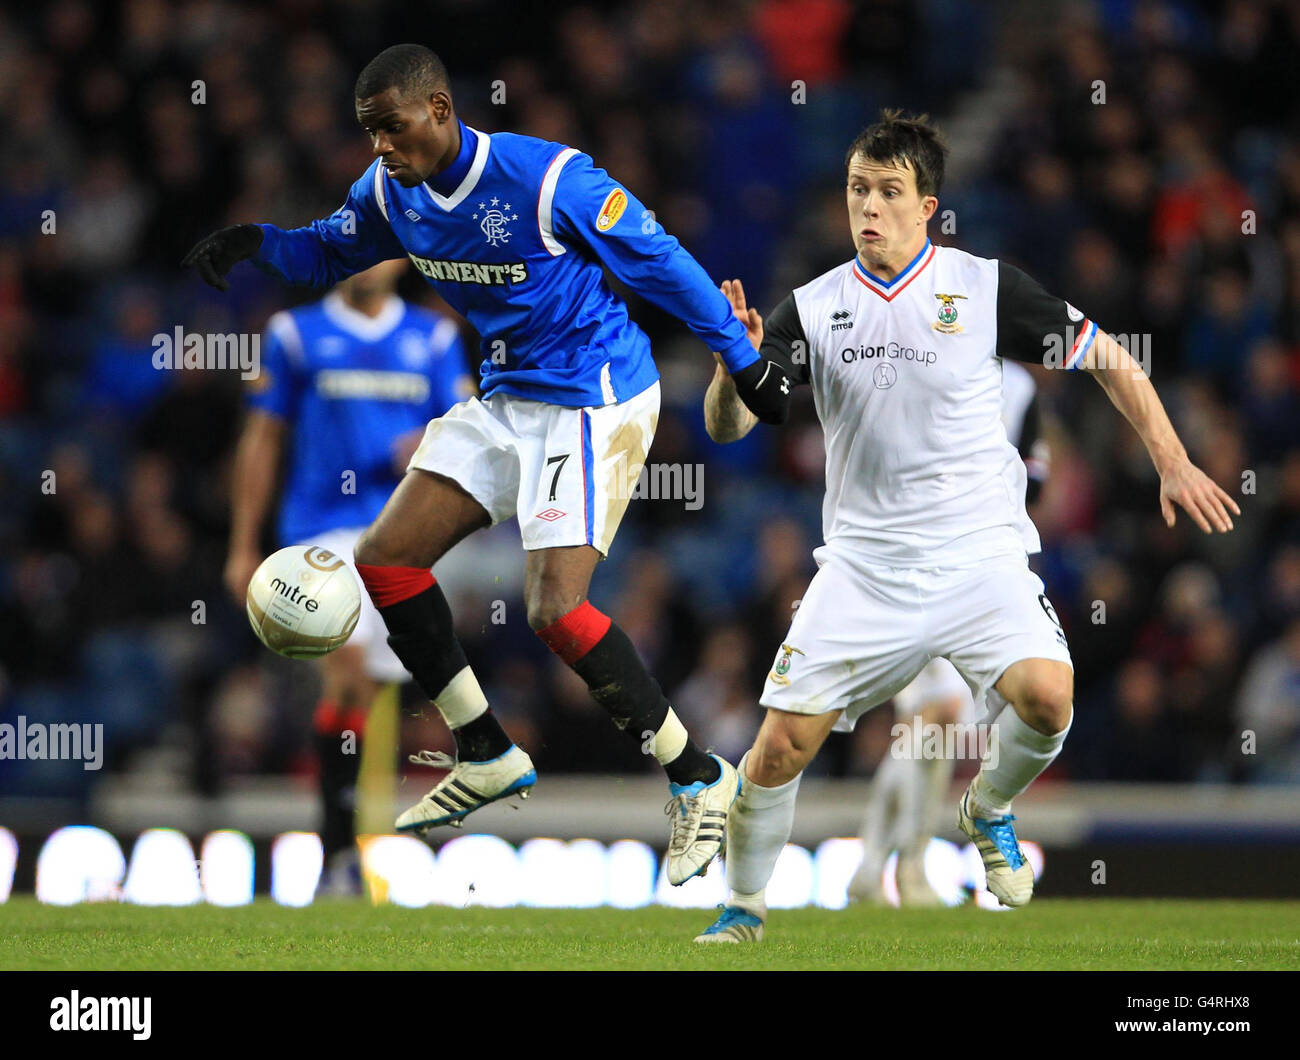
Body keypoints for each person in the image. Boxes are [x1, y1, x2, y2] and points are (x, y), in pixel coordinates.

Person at [185, 43, 770, 884]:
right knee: (384, 559)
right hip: (507, 397)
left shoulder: (545, 178)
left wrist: (740, 358)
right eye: (368, 133)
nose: (380, 146)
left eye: (391, 128)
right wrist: (258, 244)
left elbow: (659, 259)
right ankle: (486, 748)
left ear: (441, 112)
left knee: (555, 610)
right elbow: (327, 252)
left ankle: (699, 777)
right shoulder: (389, 190)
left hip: (595, 393)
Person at [695, 110, 1240, 941]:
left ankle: (987, 809)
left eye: (887, 192)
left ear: (929, 208)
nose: (868, 209)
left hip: (978, 558)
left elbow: (1108, 357)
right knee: (777, 750)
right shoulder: (814, 305)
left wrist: (1171, 459)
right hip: (865, 567)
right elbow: (730, 427)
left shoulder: (983, 289)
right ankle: (743, 908)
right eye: (856, 191)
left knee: (1049, 699)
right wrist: (734, 365)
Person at [224, 259, 471, 893]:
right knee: (349, 672)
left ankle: (354, 844)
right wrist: (243, 544)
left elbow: (472, 428)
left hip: (406, 535)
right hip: (321, 535)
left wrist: (427, 440)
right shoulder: (294, 334)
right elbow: (262, 438)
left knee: (371, 694)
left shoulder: (433, 339)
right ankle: (337, 854)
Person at [850, 359, 1048, 907]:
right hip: (919, 556)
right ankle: (906, 865)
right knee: (934, 721)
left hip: (974, 566)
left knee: (927, 729)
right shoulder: (927, 358)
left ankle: (875, 867)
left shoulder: (1019, 385)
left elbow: (1036, 475)